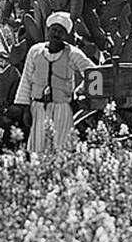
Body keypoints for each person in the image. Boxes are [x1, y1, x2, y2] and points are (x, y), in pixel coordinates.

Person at [12, 11, 93, 154]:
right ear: (48, 30)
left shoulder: (73, 53)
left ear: (66, 35)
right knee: (37, 148)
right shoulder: (35, 51)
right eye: (54, 30)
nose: (56, 34)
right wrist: (25, 108)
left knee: (61, 148)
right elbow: (26, 79)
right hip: (38, 107)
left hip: (63, 107)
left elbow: (94, 73)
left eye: (61, 31)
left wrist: (81, 93)